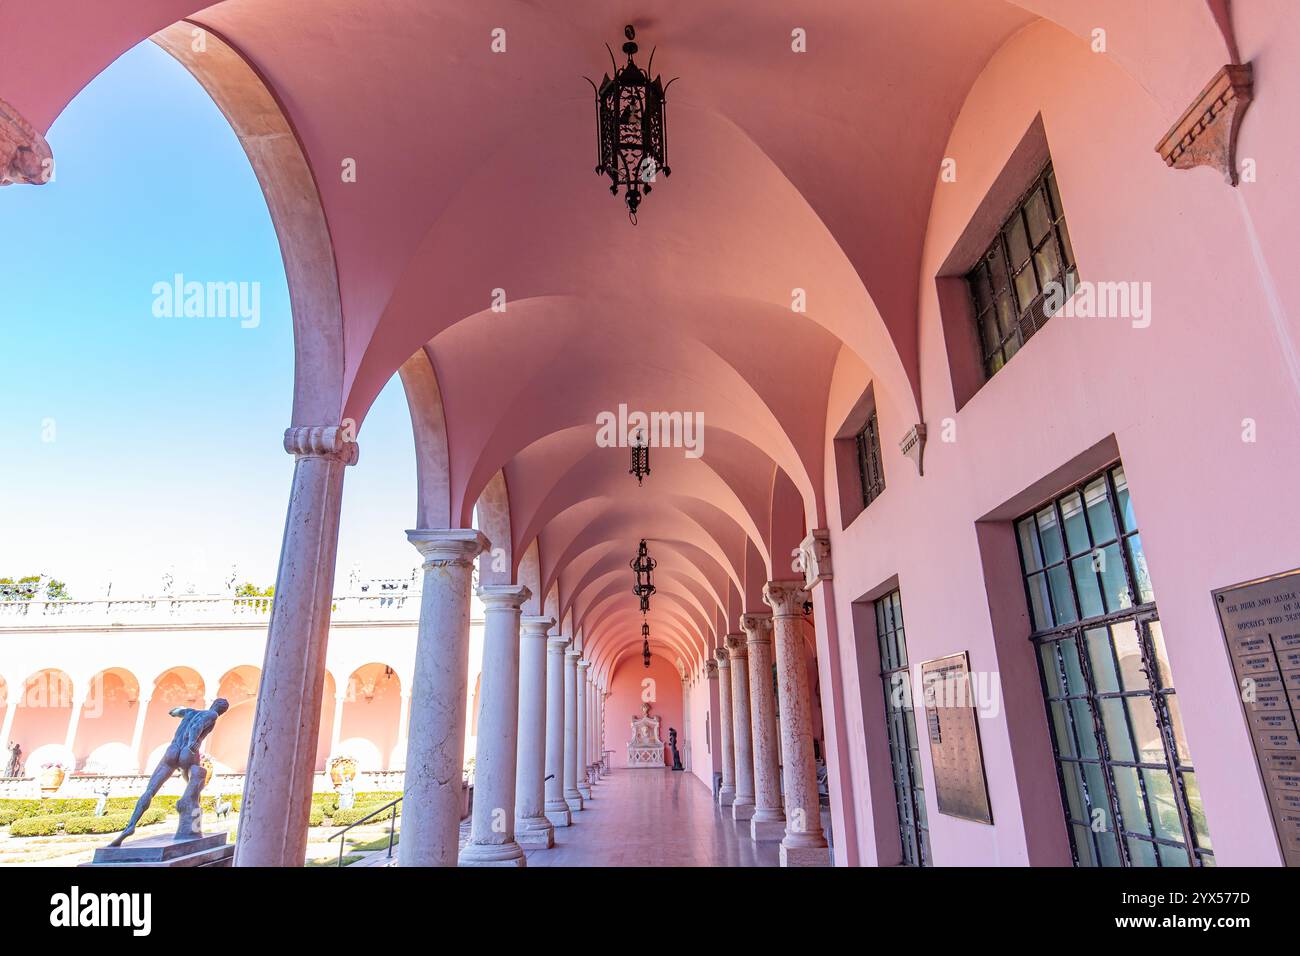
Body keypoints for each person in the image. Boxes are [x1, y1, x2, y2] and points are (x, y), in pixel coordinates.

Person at [107, 698, 228, 847]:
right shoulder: (212, 714)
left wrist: (180, 712)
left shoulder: (191, 712)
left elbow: (175, 711)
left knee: (150, 791)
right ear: (221, 711)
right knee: (195, 788)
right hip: (188, 751)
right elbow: (197, 726)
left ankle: (130, 826)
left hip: (173, 749)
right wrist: (191, 743)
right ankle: (193, 821)